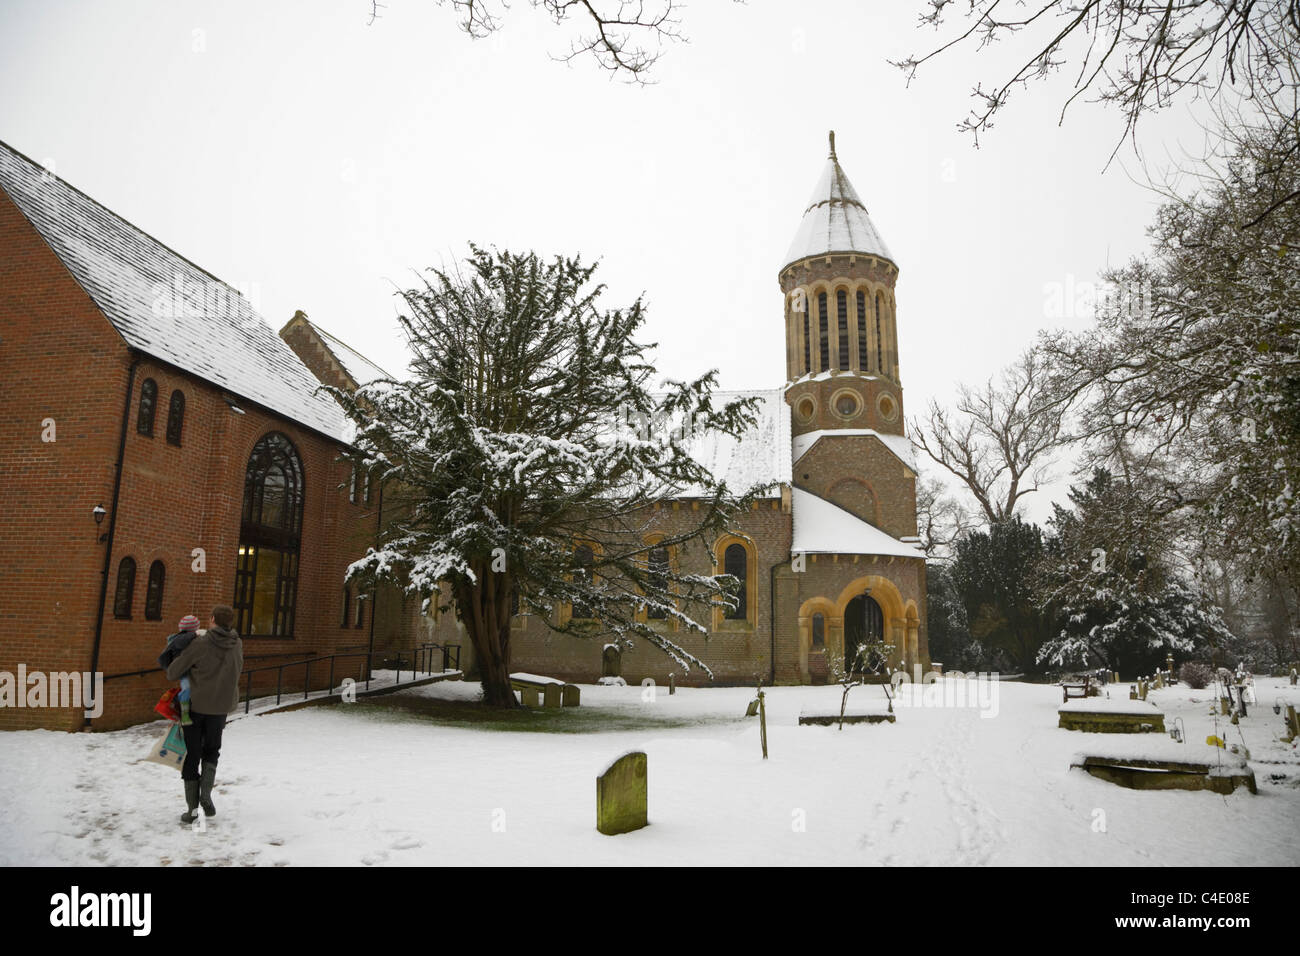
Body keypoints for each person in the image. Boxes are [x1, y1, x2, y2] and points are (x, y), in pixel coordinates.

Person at [164, 604, 243, 825]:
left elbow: (173, 671)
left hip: (195, 707)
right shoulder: (237, 643)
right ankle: (206, 795)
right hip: (221, 708)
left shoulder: (201, 643)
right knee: (212, 751)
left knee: (192, 754)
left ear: (212, 620)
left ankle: (192, 810)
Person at [156, 614, 201, 725]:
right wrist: (194, 634)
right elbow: (182, 642)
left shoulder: (188, 638)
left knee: (190, 689)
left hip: (191, 670)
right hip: (184, 671)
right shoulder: (181, 638)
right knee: (187, 688)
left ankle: (189, 711)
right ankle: (185, 713)